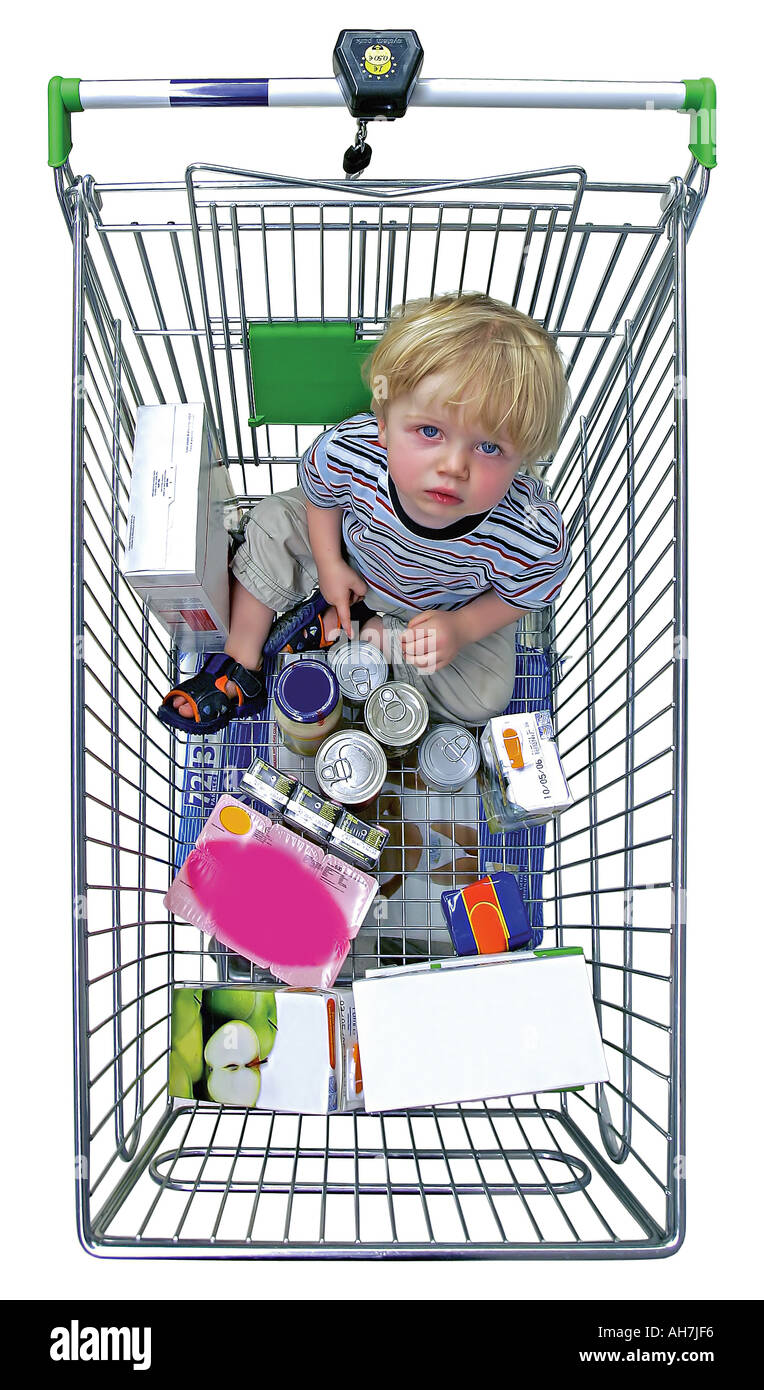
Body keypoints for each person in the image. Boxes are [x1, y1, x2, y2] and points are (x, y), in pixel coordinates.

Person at [158, 292, 571, 732]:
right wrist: (329, 563)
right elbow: (320, 496)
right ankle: (243, 655)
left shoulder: (527, 532)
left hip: (443, 606)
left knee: (485, 695)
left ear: (523, 457)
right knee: (275, 520)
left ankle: (360, 630)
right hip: (354, 557)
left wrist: (463, 628)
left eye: (490, 447)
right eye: (429, 431)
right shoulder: (355, 451)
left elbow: (529, 591)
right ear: (383, 423)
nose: (454, 466)